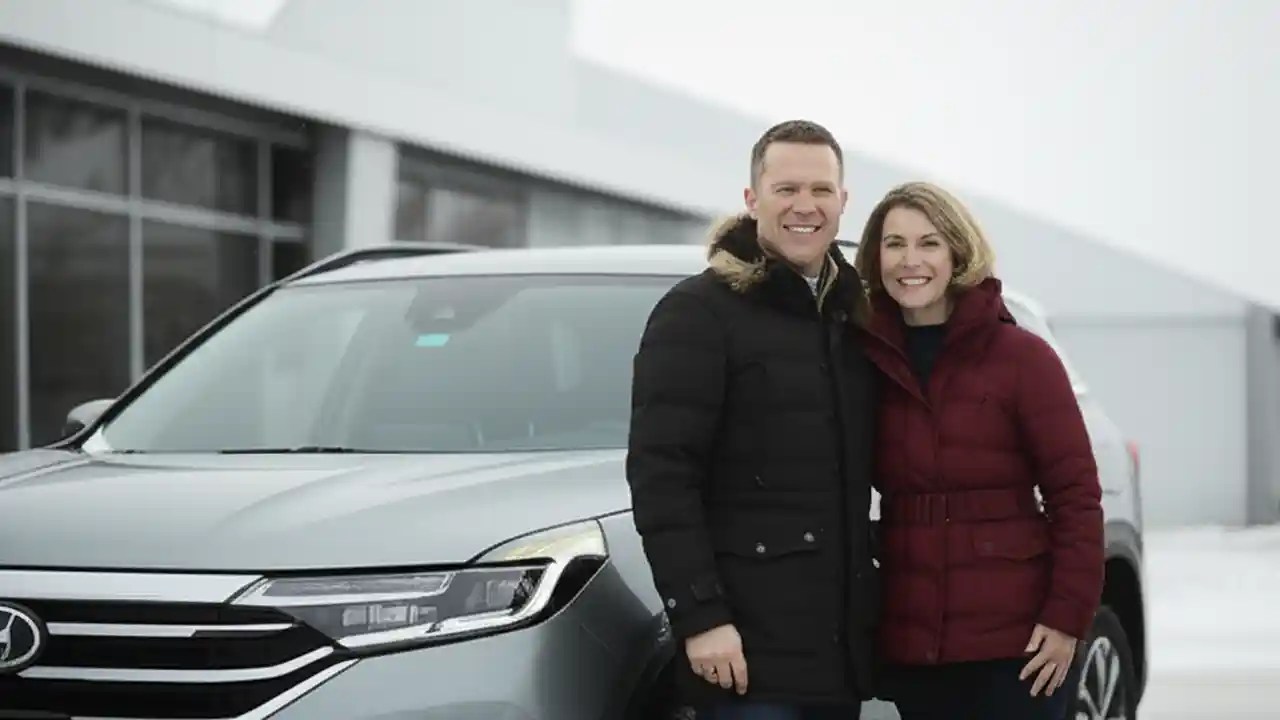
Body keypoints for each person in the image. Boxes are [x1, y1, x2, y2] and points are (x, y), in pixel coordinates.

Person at [626, 119, 879, 720]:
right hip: (744, 654)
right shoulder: (697, 313)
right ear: (752, 199)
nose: (805, 206)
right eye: (786, 188)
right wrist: (702, 618)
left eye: (821, 190)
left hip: (836, 656)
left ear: (843, 202)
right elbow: (663, 478)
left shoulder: (853, 316)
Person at [852, 181, 1105, 720]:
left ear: (957, 252)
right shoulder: (865, 359)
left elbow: (1077, 498)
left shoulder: (1022, 358)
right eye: (894, 244)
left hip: (1017, 648)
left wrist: (1066, 622)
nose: (909, 261)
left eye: (929, 243)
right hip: (915, 647)